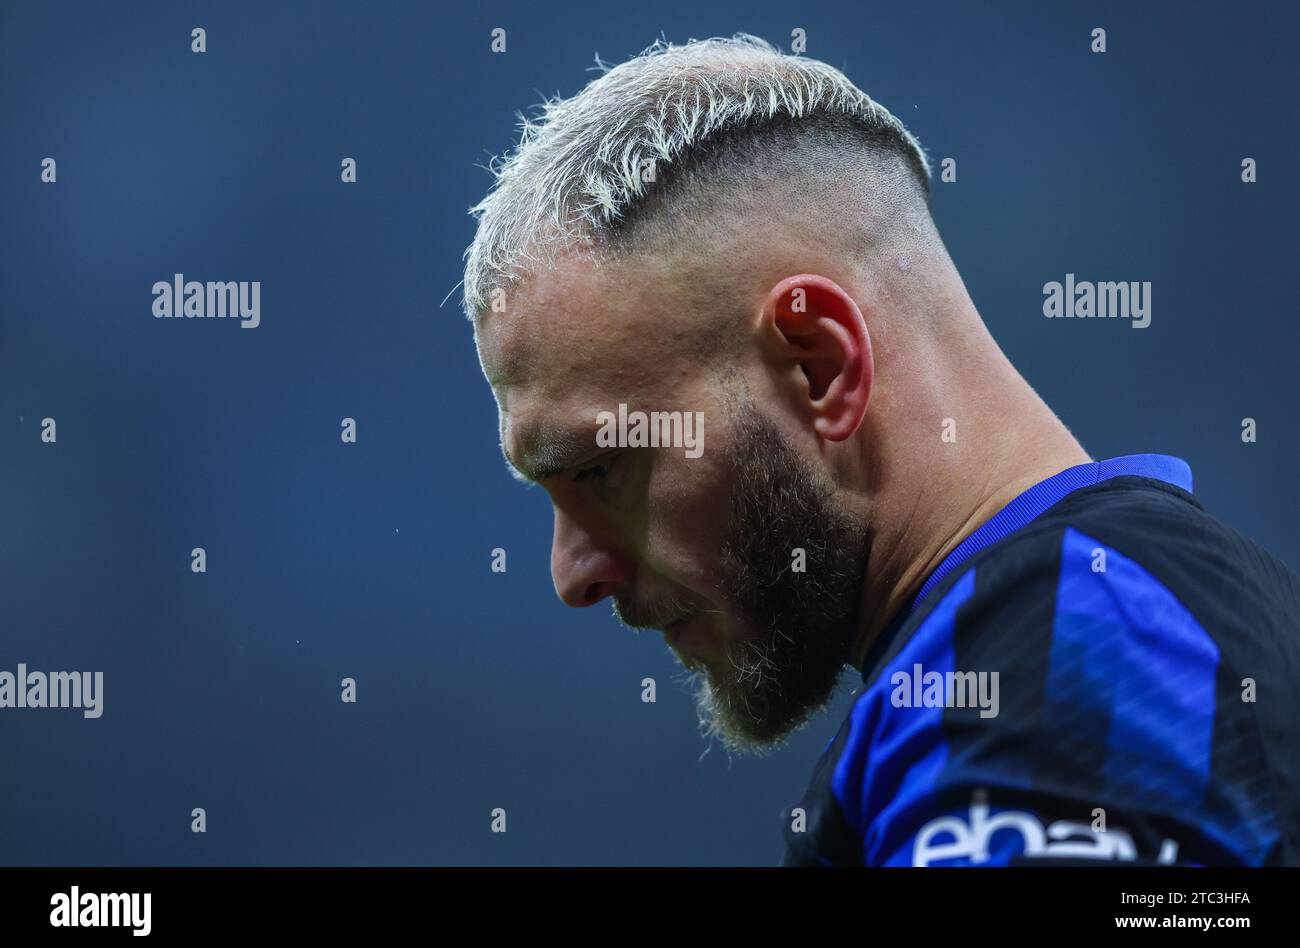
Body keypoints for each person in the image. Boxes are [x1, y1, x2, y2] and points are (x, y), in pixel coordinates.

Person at [462, 35, 1300, 865]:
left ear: (818, 367)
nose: (573, 575)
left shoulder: (1073, 654)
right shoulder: (1106, 628)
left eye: (600, 467)